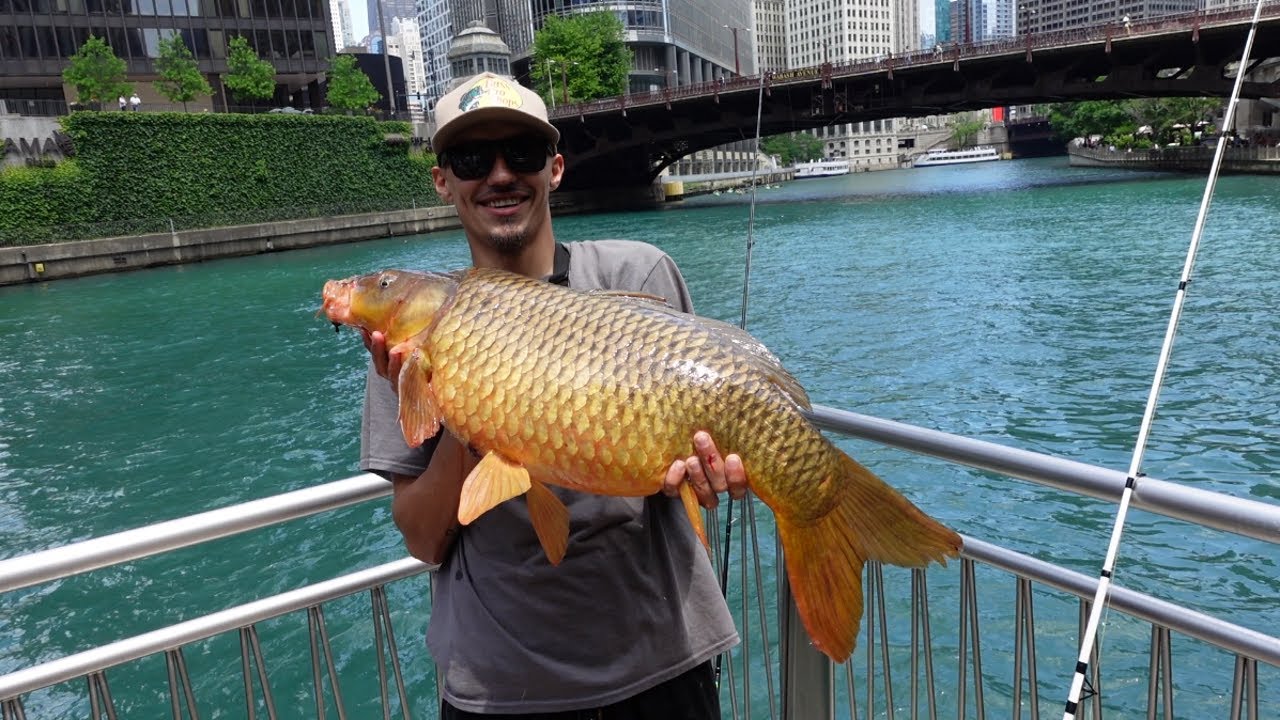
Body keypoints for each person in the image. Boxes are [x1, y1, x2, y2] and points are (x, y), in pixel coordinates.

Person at [359, 71, 747, 719]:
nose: (501, 175)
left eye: (524, 154)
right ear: (443, 180)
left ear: (556, 168)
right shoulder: (404, 335)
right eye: (472, 159)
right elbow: (423, 540)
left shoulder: (638, 275)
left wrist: (709, 474)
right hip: (500, 686)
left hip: (662, 663)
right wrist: (465, 400)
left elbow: (683, 461)